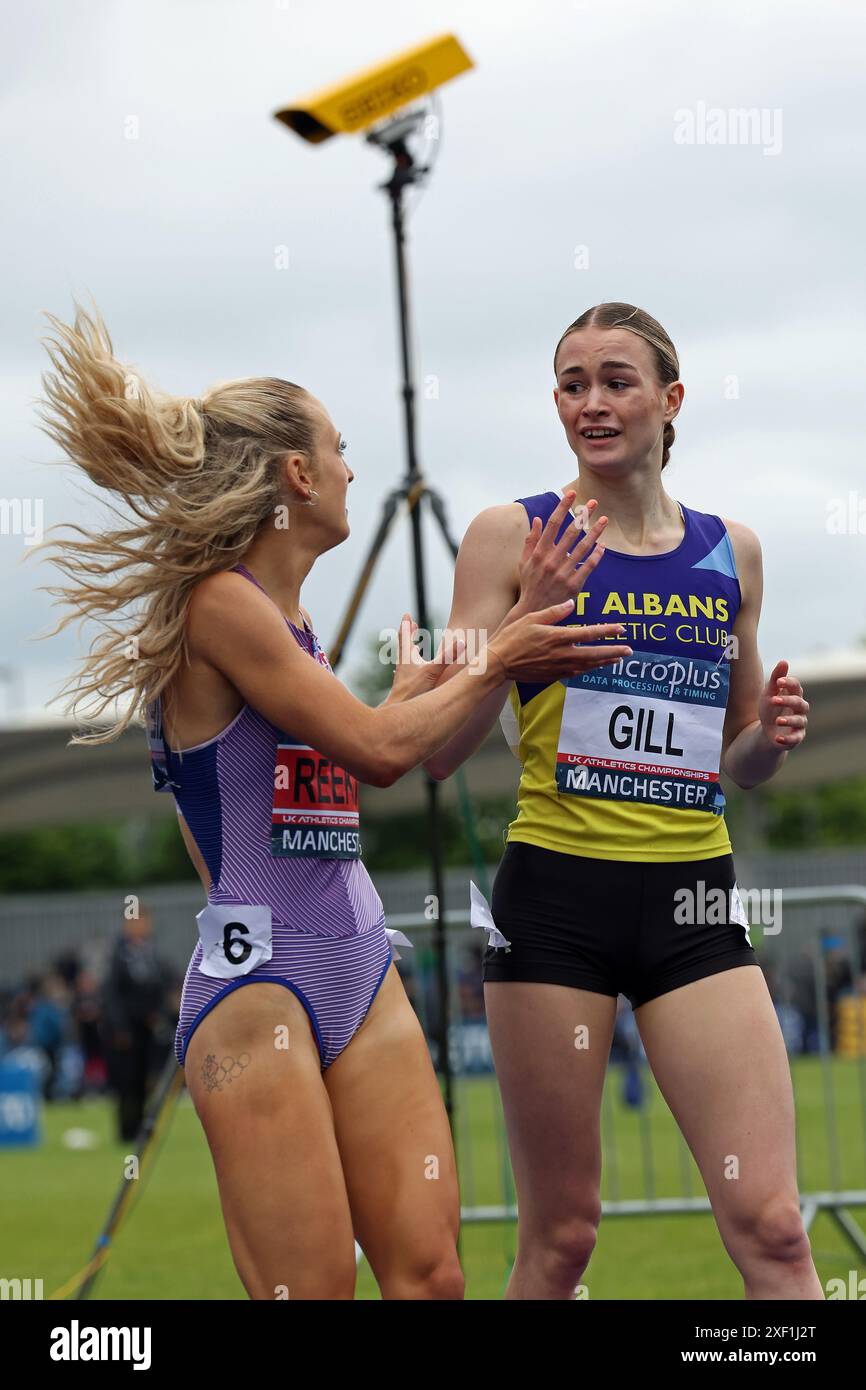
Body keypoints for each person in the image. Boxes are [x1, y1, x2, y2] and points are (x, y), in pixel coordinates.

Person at [34, 300, 630, 1300]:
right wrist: (504, 653)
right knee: (311, 1293)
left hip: (355, 956)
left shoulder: (294, 624)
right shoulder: (219, 604)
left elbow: (338, 770)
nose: (353, 468)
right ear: (294, 476)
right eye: (339, 449)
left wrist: (447, 672)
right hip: (257, 979)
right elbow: (377, 754)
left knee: (431, 1276)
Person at [424, 301, 823, 1300]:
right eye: (570, 384)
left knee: (774, 1227)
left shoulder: (730, 550)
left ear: (668, 398)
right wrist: (521, 617)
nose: (590, 402)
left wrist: (767, 741)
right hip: (554, 901)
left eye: (614, 379)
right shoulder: (509, 533)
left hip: (691, 902)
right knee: (560, 1238)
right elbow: (436, 745)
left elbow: (735, 758)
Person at [101, 911, 172, 1141]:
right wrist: (120, 1028)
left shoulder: (151, 954)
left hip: (147, 1029)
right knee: (127, 1081)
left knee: (144, 1079)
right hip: (126, 1031)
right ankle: (126, 1129)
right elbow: (112, 995)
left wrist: (158, 1015)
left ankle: (142, 1127)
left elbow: (160, 989)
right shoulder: (119, 956)